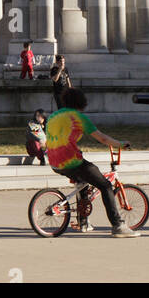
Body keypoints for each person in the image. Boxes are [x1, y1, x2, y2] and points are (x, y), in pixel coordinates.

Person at [46, 87, 138, 237]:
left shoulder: (53, 116)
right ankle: (118, 226)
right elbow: (102, 138)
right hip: (71, 161)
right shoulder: (78, 118)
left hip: (54, 162)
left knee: (84, 182)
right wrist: (120, 144)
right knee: (106, 186)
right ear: (81, 102)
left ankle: (83, 222)